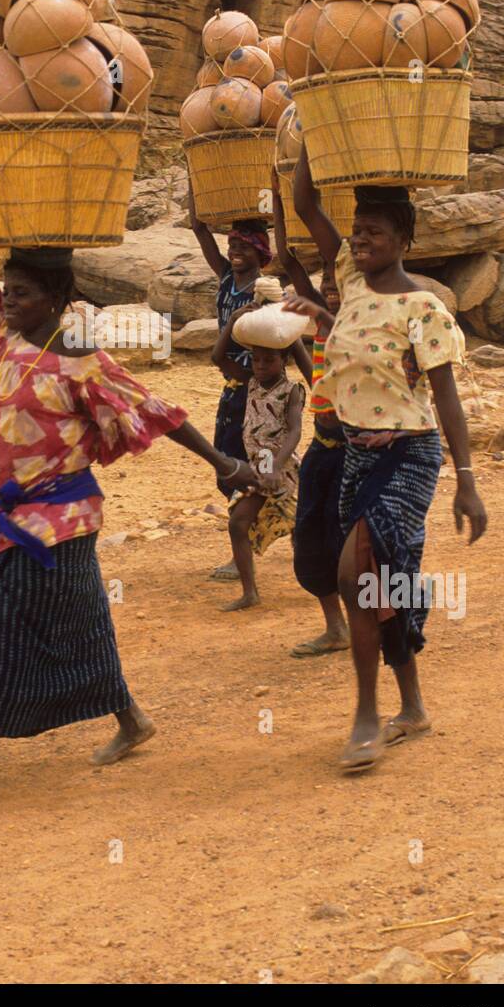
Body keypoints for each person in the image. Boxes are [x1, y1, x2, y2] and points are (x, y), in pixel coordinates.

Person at [0, 245, 259, 813]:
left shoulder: (80, 359)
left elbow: (155, 410)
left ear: (56, 299)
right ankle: (132, 720)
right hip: (11, 520)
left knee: (2, 634)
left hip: (58, 523)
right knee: (82, 625)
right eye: (8, 291)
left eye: (23, 292)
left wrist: (225, 464)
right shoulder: (7, 341)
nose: (9, 300)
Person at [286, 145, 487, 772]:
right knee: (385, 581)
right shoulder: (348, 283)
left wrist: (468, 482)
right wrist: (311, 139)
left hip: (409, 454)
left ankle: (367, 716)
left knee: (356, 572)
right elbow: (303, 204)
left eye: (374, 231)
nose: (359, 239)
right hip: (354, 456)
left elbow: (447, 401)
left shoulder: (425, 308)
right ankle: (413, 708)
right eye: (357, 231)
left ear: (403, 238)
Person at [270, 174, 350, 657]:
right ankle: (336, 626)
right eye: (326, 284)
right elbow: (287, 257)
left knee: (351, 544)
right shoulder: (320, 321)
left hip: (356, 449)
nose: (330, 289)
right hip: (323, 446)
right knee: (310, 538)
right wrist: (277, 193)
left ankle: (372, 626)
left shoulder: (358, 323)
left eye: (340, 283)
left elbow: (345, 331)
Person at [187, 182, 281, 581]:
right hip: (232, 388)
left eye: (243, 248)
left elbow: (279, 341)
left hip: (255, 388)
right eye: (232, 247)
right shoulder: (226, 276)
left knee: (243, 463)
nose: (234, 253)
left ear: (260, 252)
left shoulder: (268, 290)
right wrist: (195, 178)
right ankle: (248, 539)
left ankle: (245, 546)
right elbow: (198, 227)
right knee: (227, 464)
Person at [211, 316, 305, 612]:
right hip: (256, 470)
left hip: (283, 472)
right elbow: (217, 357)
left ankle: (323, 586)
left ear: (284, 360)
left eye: (269, 360)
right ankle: (250, 592)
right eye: (257, 360)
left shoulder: (292, 391)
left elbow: (294, 431)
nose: (261, 365)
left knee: (300, 534)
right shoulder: (249, 381)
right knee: (238, 524)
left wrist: (277, 465)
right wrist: (235, 322)